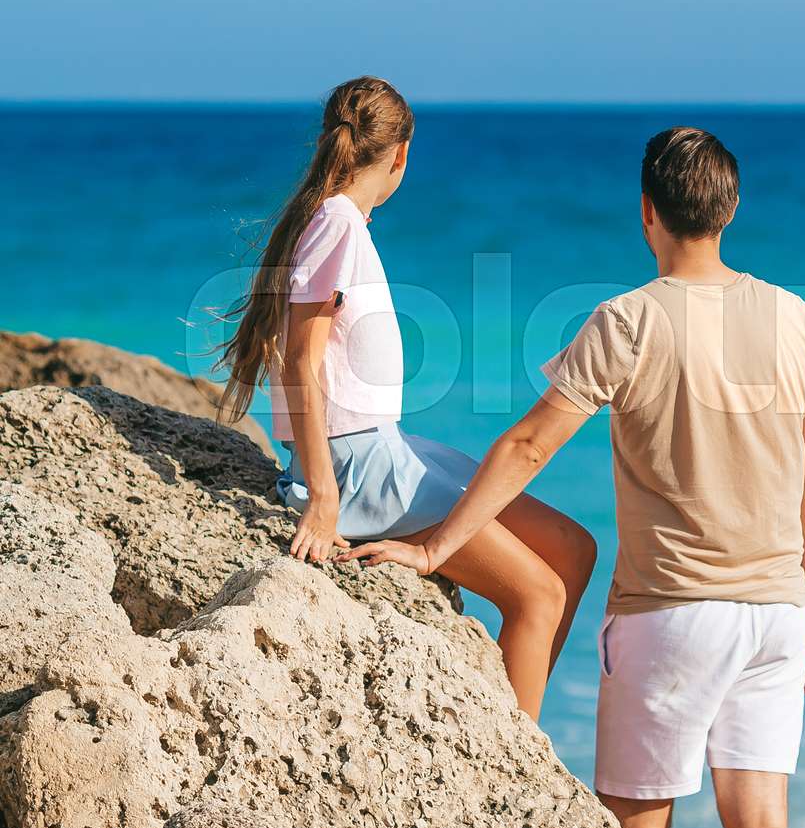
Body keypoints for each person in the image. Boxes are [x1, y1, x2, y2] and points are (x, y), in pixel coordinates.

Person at [345, 126, 805, 828]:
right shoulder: (800, 322)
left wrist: (434, 545)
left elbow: (529, 445)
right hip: (779, 615)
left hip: (672, 613)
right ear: (729, 209)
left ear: (648, 211)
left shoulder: (629, 320)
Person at [216, 76, 596, 720]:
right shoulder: (335, 224)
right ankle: (514, 760)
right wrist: (324, 498)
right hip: (356, 471)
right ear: (399, 157)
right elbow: (301, 368)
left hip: (386, 447)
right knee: (537, 595)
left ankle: (517, 730)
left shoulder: (340, 222)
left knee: (573, 549)